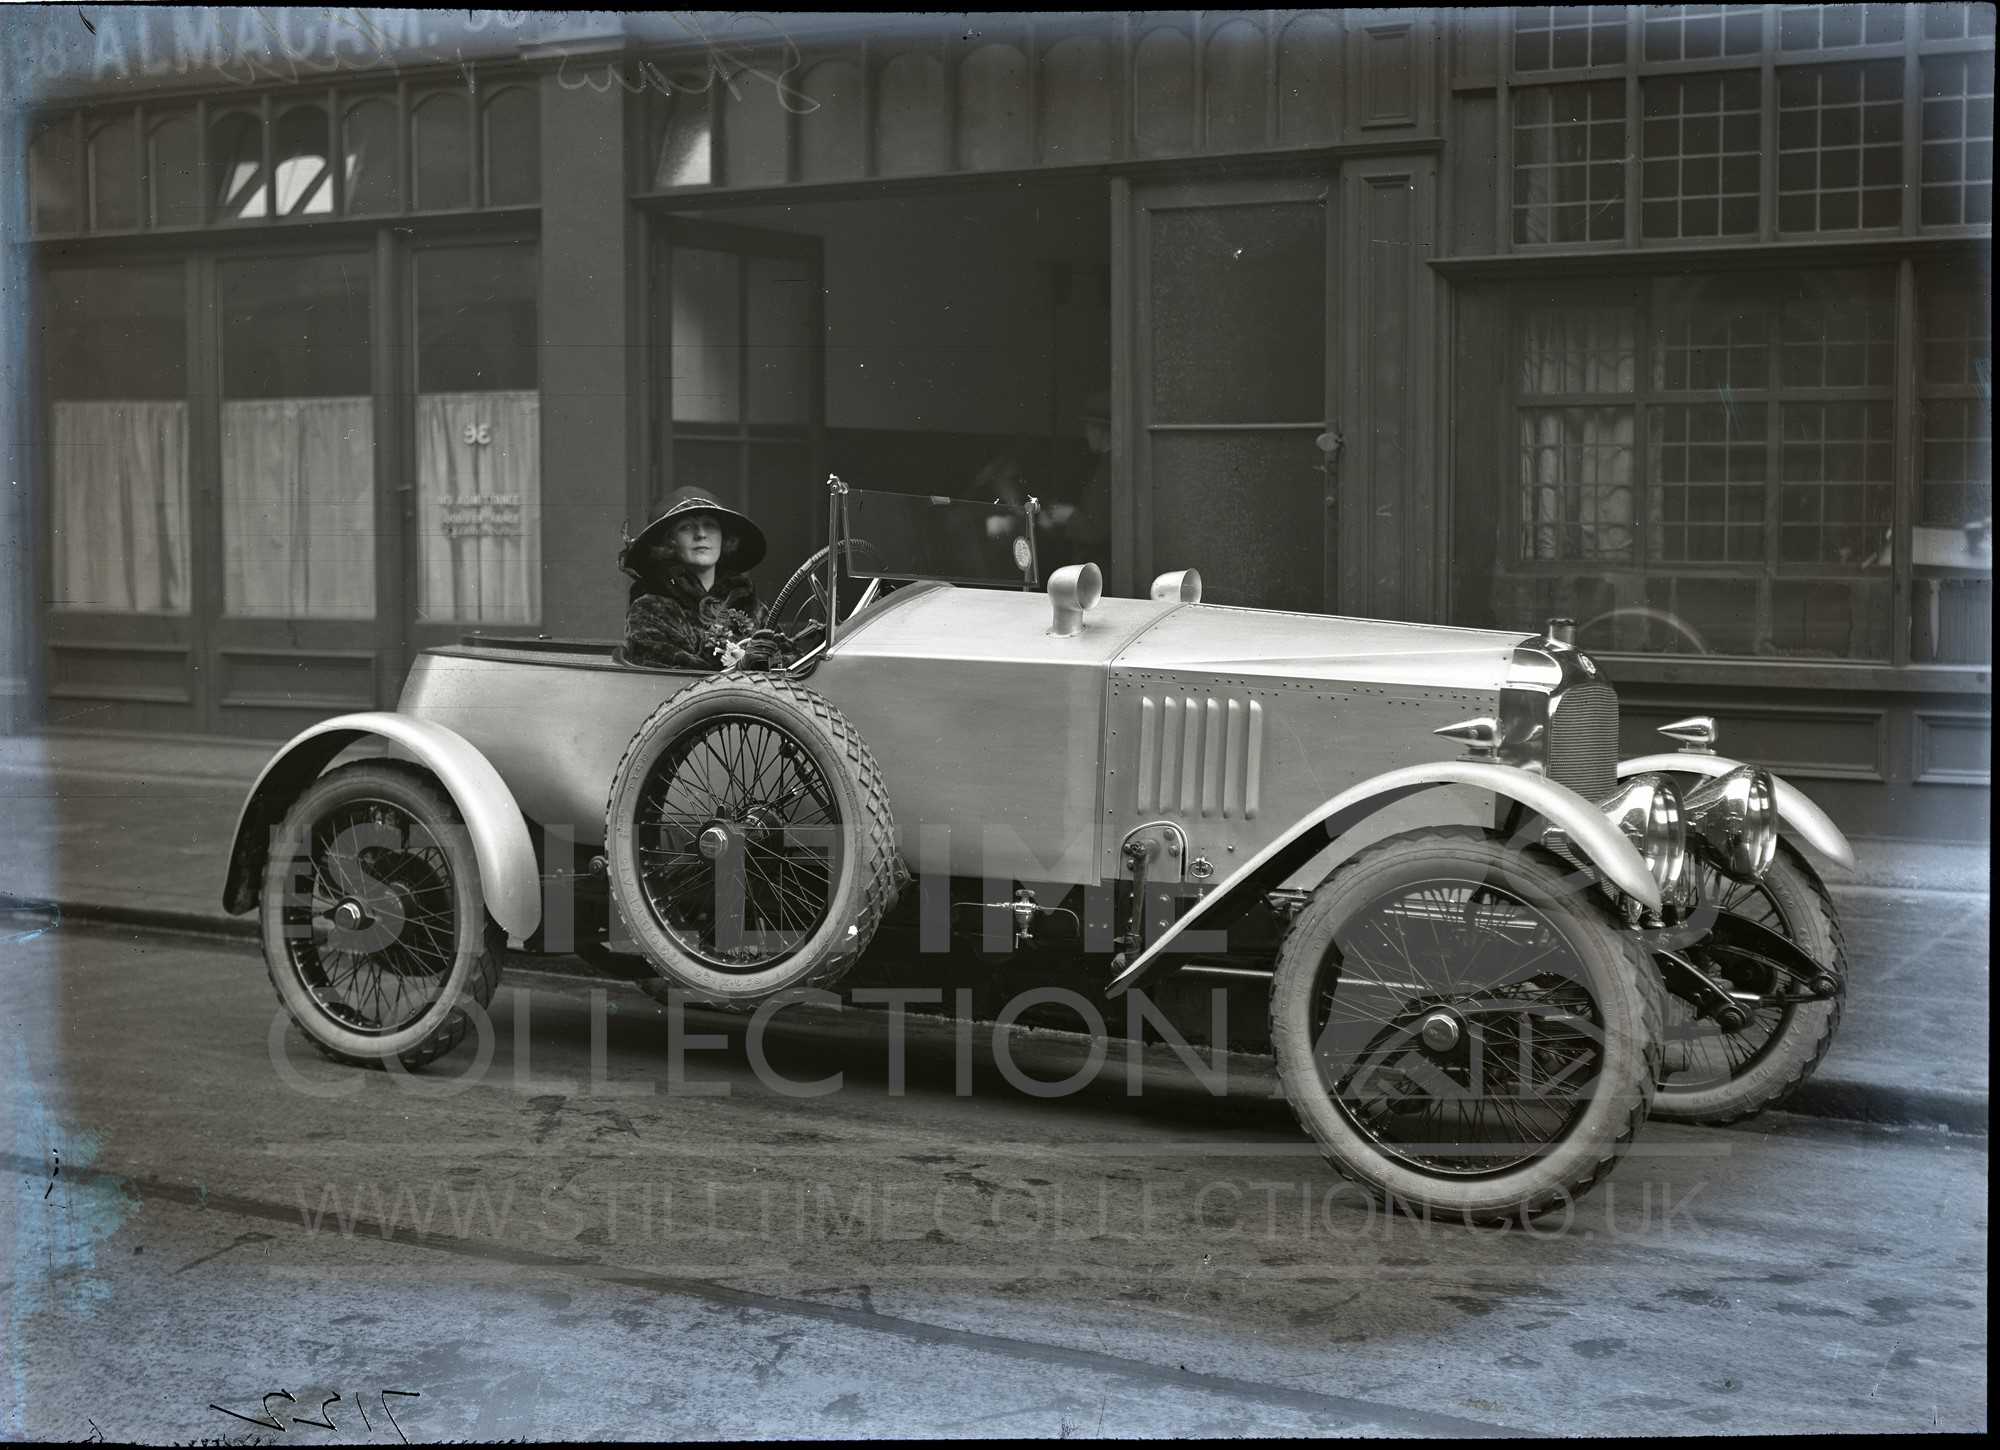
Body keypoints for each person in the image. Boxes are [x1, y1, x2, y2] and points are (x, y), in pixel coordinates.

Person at [619, 487, 796, 671]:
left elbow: (791, 660)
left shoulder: (750, 605)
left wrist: (768, 662)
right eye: (686, 527)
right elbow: (672, 674)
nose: (701, 534)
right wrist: (744, 665)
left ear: (724, 538)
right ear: (669, 542)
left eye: (710, 525)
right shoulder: (650, 609)